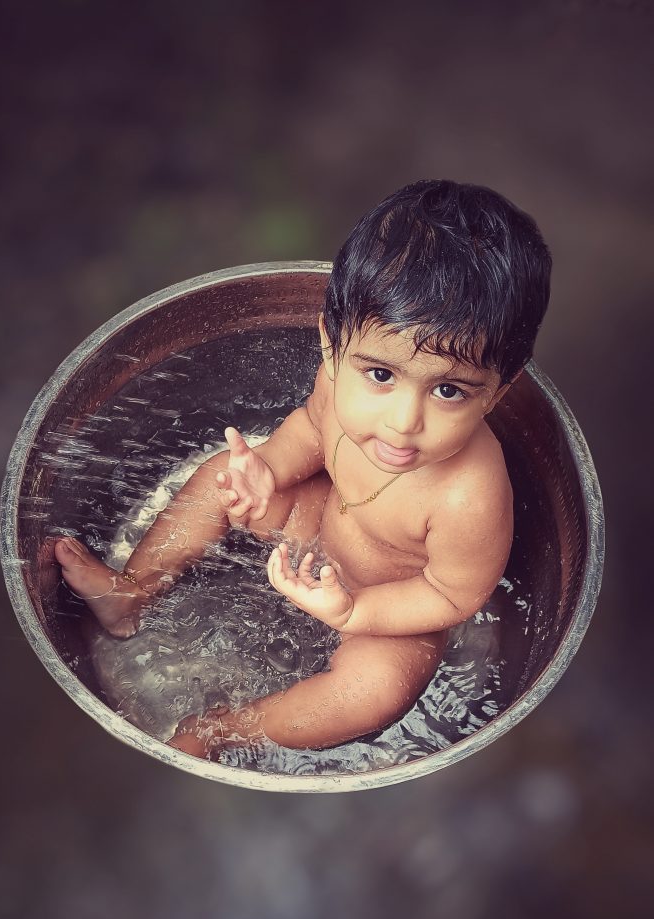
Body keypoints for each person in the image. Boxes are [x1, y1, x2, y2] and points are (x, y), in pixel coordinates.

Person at [54, 179, 551, 758]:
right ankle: (133, 593)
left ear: (497, 391)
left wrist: (356, 610)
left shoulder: (470, 494)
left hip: (393, 601)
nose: (403, 421)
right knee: (222, 477)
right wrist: (269, 468)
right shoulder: (334, 385)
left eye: (448, 391)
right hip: (317, 528)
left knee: (377, 689)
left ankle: (225, 729)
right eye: (381, 376)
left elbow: (452, 594)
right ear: (332, 344)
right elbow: (311, 431)